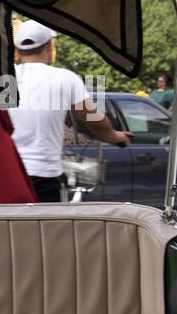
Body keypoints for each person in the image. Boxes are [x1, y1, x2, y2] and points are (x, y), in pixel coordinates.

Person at [11, 20, 131, 203]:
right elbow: (95, 120)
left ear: (17, 49)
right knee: (48, 231)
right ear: (49, 46)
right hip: (44, 176)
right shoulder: (66, 78)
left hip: (8, 174)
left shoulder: (5, 77)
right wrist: (115, 137)